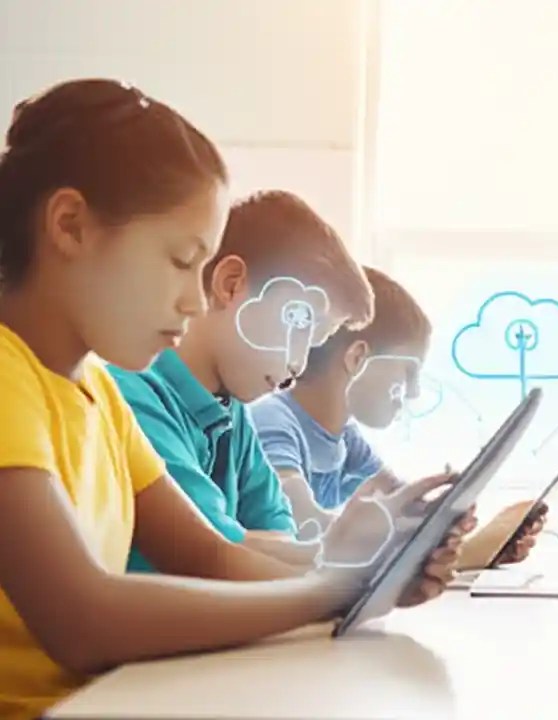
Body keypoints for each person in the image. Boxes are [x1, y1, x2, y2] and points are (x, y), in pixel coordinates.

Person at [0, 79, 464, 719]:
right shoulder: (6, 378)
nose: (195, 301)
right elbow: (83, 618)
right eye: (178, 259)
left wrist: (374, 574)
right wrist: (337, 589)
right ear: (71, 226)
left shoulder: (97, 392)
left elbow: (214, 554)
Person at [108, 189, 391, 570]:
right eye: (302, 325)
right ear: (230, 284)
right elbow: (214, 551)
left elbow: (279, 537)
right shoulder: (131, 390)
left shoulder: (232, 414)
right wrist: (348, 561)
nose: (299, 366)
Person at [250, 266, 545, 566]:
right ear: (356, 359)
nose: (414, 392)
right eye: (408, 371)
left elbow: (400, 498)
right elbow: (305, 526)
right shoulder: (272, 420)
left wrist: (442, 513)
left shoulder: (346, 438)